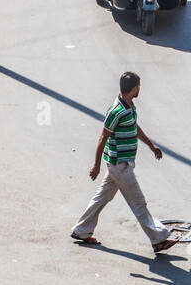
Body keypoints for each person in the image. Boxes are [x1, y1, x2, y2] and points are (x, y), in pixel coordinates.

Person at [70, 72, 180, 254]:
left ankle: (81, 230)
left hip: (120, 165)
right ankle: (158, 239)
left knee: (102, 197)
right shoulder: (116, 111)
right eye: (139, 86)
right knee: (139, 203)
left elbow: (135, 127)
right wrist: (96, 165)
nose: (140, 89)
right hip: (120, 165)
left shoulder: (129, 107)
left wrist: (152, 146)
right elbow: (102, 137)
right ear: (133, 88)